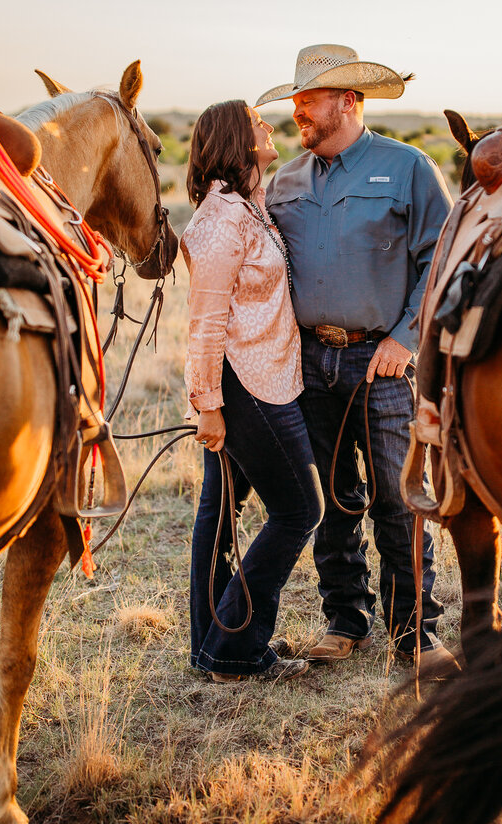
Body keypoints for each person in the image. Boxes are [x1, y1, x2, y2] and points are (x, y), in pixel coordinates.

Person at [257, 44, 458, 675]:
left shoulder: (408, 168)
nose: (298, 110)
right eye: (295, 100)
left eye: (308, 99)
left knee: (398, 500)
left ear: (348, 101)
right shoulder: (284, 180)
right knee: (332, 501)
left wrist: (405, 337)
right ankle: (345, 618)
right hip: (309, 360)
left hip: (385, 362)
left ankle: (414, 634)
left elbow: (440, 259)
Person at [182, 99, 324, 683]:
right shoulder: (222, 219)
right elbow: (206, 321)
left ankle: (213, 645)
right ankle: (237, 648)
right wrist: (208, 405)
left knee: (220, 515)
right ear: (235, 140)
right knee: (300, 511)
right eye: (257, 122)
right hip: (246, 386)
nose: (270, 128)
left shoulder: (247, 205)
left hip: (260, 376)